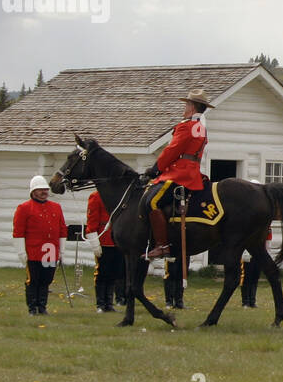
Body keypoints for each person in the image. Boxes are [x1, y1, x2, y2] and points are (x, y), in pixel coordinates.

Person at [142, 88, 213, 259]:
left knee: (152, 202)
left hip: (179, 174)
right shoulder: (201, 128)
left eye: (187, 103)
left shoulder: (186, 126)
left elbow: (172, 151)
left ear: (193, 107)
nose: (185, 107)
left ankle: (162, 245)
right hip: (193, 174)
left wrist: (156, 169)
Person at [13, 175, 67, 315]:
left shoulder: (56, 207)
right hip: (34, 251)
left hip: (51, 251)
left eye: (45, 189)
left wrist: (62, 250)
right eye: (40, 190)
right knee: (33, 280)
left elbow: (62, 230)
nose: (44, 192)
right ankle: (32, 308)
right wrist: (21, 252)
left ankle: (42, 307)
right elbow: (18, 232)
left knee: (46, 280)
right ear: (33, 192)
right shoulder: (24, 208)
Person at [86, 188, 126, 312]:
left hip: (117, 241)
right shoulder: (96, 196)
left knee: (114, 274)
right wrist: (94, 241)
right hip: (103, 240)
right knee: (102, 273)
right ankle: (100, 304)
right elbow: (92, 221)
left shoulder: (121, 195)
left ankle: (109, 303)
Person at [240, 180, 271, 308]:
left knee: (255, 274)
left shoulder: (262, 208)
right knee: (246, 274)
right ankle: (245, 301)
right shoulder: (243, 209)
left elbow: (268, 229)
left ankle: (252, 300)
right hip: (247, 248)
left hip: (259, 248)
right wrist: (244, 250)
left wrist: (267, 246)